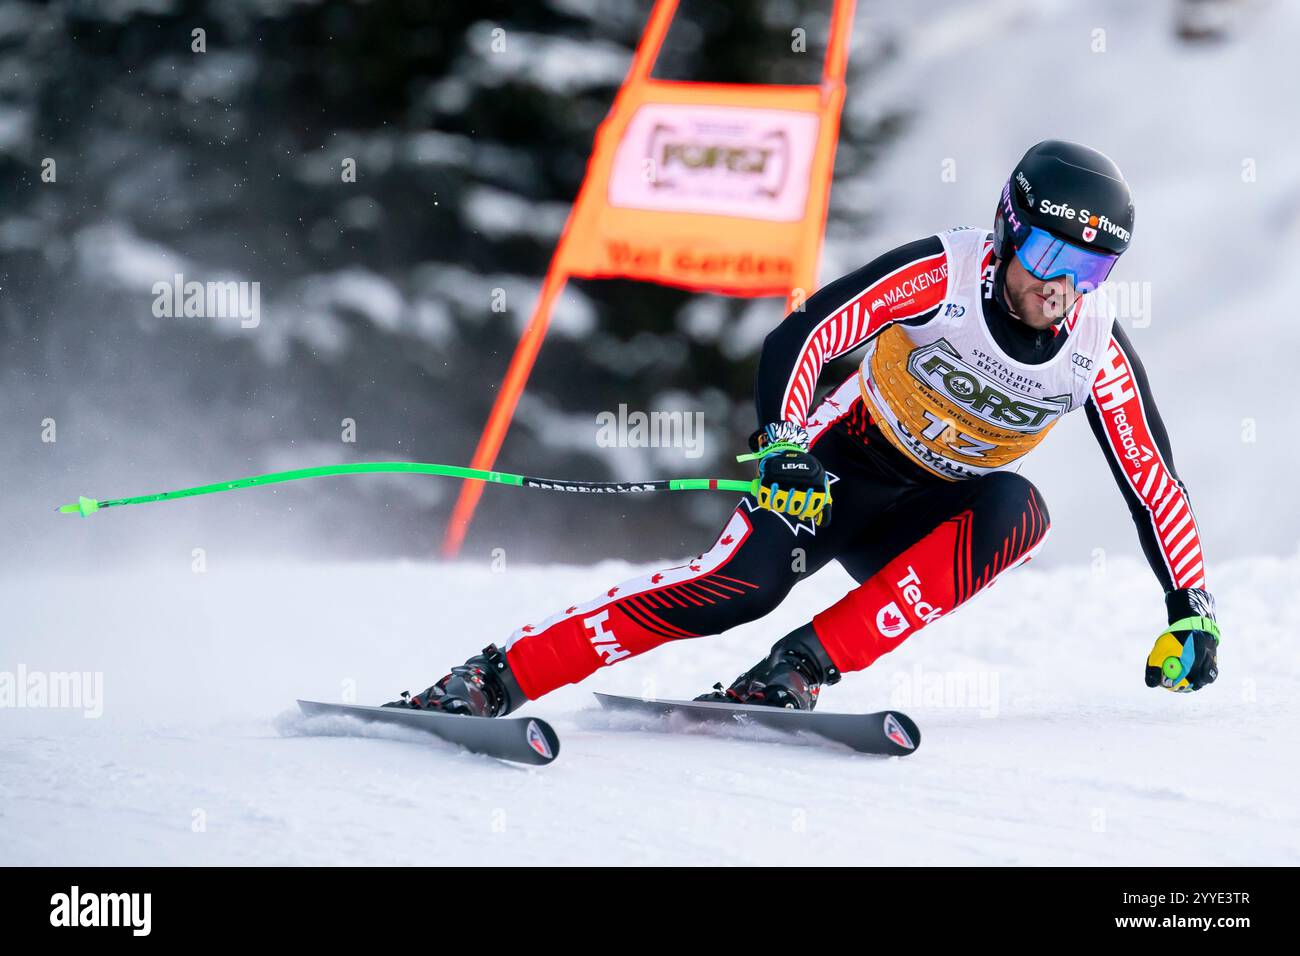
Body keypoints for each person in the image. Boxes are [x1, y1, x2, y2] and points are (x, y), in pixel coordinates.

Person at [390, 140, 1221, 717]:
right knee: (731, 592)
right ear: (1008, 229)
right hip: (835, 467)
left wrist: (1192, 609)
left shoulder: (1093, 350)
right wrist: (783, 444)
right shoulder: (944, 274)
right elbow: (807, 332)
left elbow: (1153, 484)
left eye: (1091, 268)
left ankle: (798, 670)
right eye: (1049, 256)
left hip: (918, 514)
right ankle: (495, 678)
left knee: (1019, 511)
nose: (1061, 288)